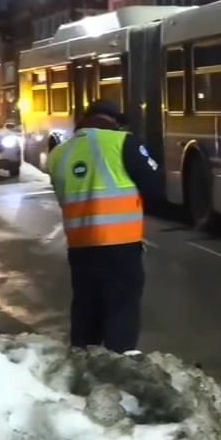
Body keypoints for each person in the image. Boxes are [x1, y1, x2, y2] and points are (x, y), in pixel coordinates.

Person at [46, 99, 162, 354]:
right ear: (115, 122)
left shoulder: (58, 155)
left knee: (86, 307)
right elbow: (154, 185)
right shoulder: (123, 143)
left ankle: (84, 360)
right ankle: (119, 362)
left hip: (80, 247)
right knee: (122, 308)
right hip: (120, 244)